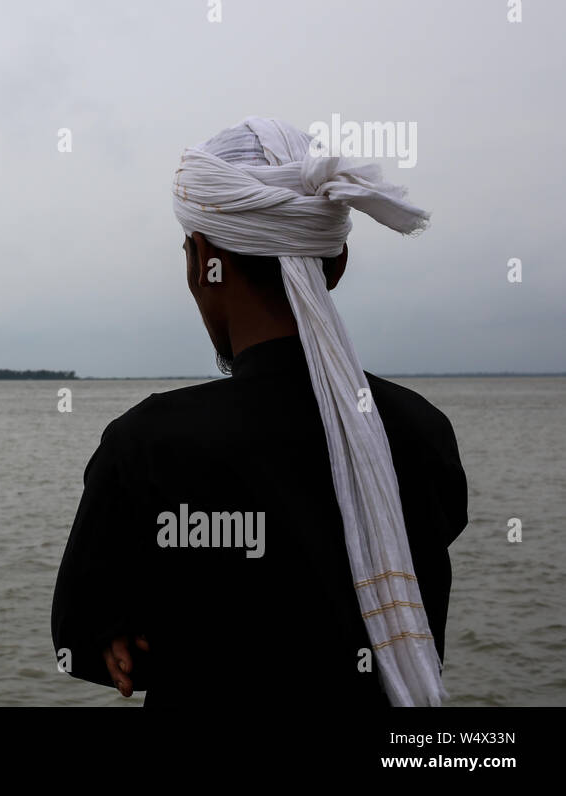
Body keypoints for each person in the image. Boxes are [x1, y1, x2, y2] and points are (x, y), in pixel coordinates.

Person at [51, 117, 468, 706]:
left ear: (201, 262)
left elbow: (80, 634)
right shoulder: (423, 433)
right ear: (338, 264)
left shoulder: (147, 446)